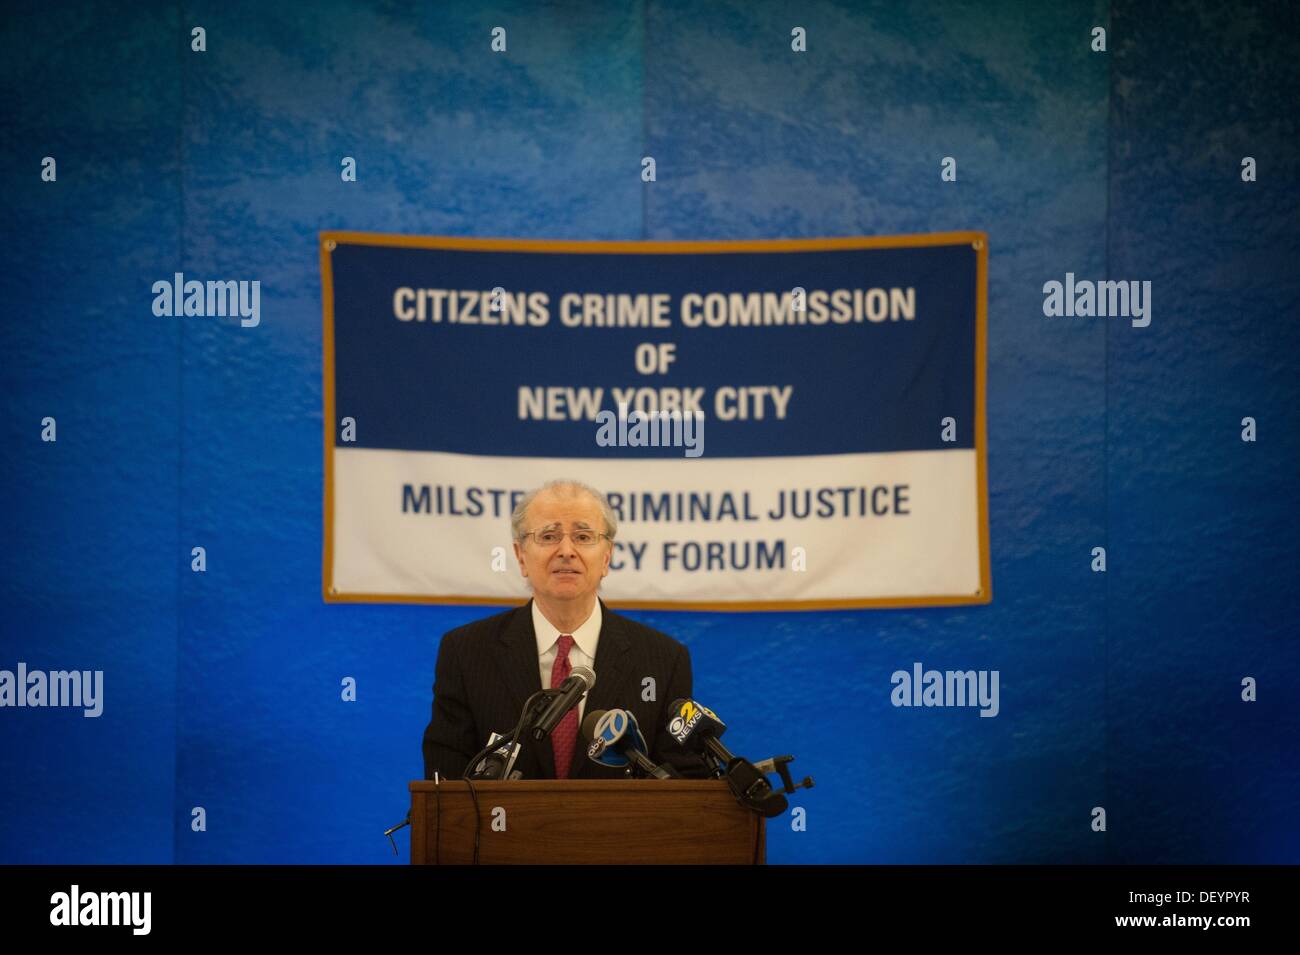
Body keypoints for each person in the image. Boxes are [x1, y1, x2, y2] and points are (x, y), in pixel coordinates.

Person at [422, 479, 708, 780]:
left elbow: (679, 780)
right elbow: (446, 778)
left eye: (583, 537)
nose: (567, 551)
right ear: (521, 556)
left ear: (607, 557)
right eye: (549, 536)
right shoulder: (467, 652)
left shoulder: (663, 659)